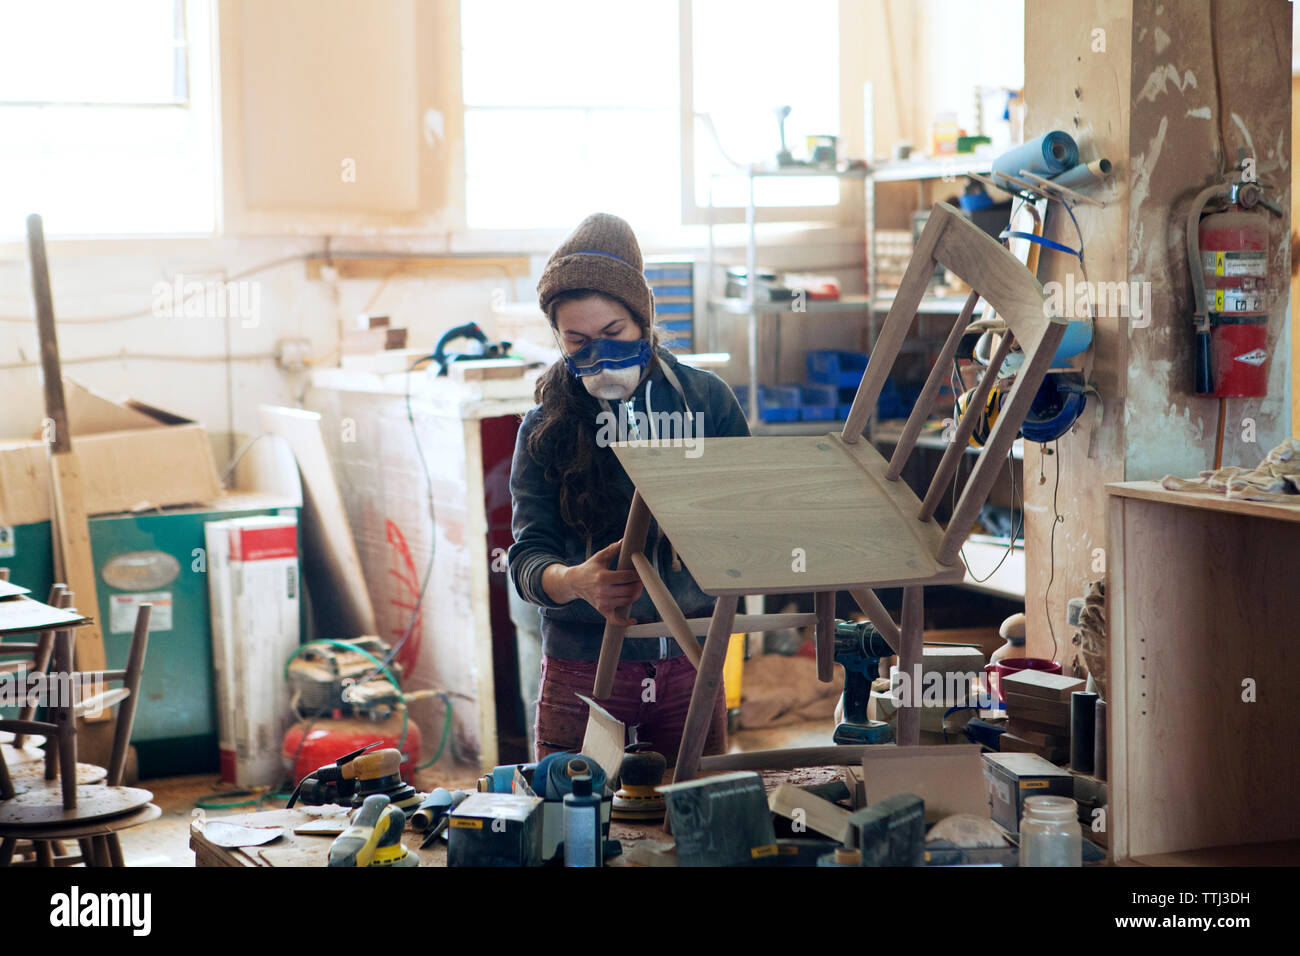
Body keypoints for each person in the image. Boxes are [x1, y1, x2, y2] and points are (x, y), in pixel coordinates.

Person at [508, 212, 749, 766]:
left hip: (693, 659)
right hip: (585, 666)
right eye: (578, 340)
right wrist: (574, 581)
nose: (599, 354)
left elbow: (750, 516)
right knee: (575, 829)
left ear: (642, 319)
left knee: (690, 819)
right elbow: (524, 559)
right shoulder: (544, 427)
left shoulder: (707, 403)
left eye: (614, 334)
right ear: (560, 339)